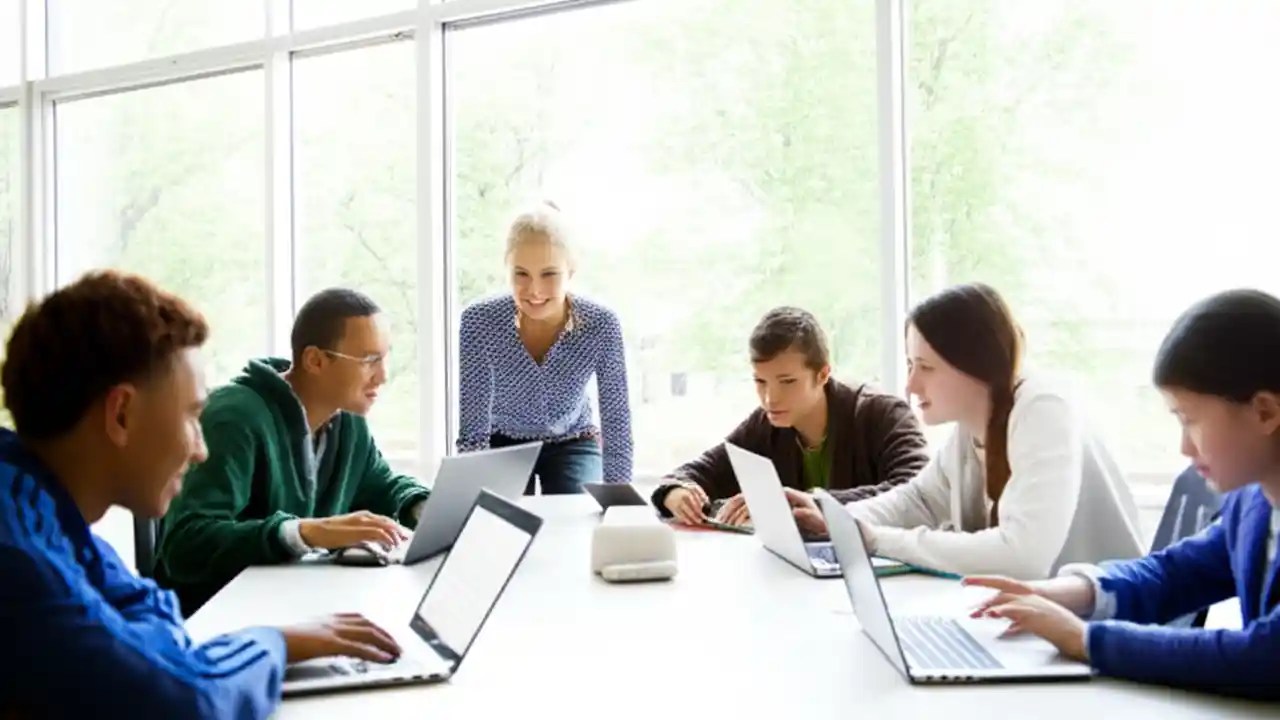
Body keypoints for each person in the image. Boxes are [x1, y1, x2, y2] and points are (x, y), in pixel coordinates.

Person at [0, 271, 401, 718]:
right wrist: (275, 641)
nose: (200, 449)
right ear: (122, 413)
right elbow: (188, 702)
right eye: (192, 416)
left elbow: (158, 620)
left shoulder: (54, 521)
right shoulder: (17, 556)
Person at [966, 289, 1280, 700]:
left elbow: (1265, 657)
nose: (1185, 448)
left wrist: (1086, 640)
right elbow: (1176, 574)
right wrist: (1065, 593)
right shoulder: (1253, 501)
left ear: (1265, 413)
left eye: (1191, 420)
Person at [789, 283, 1144, 578]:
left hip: (1102, 631)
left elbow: (1022, 557)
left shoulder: (1042, 409)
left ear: (974, 365)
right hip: (1042, 620)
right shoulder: (972, 429)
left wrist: (876, 539)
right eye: (911, 365)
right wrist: (835, 518)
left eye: (925, 367)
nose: (911, 385)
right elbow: (920, 500)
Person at [156, 288, 430, 615]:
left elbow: (380, 487)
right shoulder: (234, 419)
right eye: (369, 360)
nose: (383, 376)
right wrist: (303, 533)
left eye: (385, 358)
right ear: (315, 360)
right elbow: (185, 546)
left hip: (297, 609)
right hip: (217, 623)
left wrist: (424, 507)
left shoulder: (347, 421)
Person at [653, 306, 930, 531]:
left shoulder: (882, 414)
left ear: (822, 375)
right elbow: (697, 472)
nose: (770, 398)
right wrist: (675, 492)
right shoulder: (766, 422)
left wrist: (805, 502)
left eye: (787, 382)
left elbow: (917, 490)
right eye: (760, 381)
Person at [456, 202, 633, 493]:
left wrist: (617, 504)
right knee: (500, 518)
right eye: (521, 274)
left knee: (578, 510)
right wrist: (473, 494)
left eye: (549, 274)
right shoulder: (479, 322)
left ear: (571, 271)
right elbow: (473, 429)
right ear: (507, 269)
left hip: (572, 441)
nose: (534, 290)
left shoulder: (601, 324)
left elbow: (617, 422)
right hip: (502, 442)